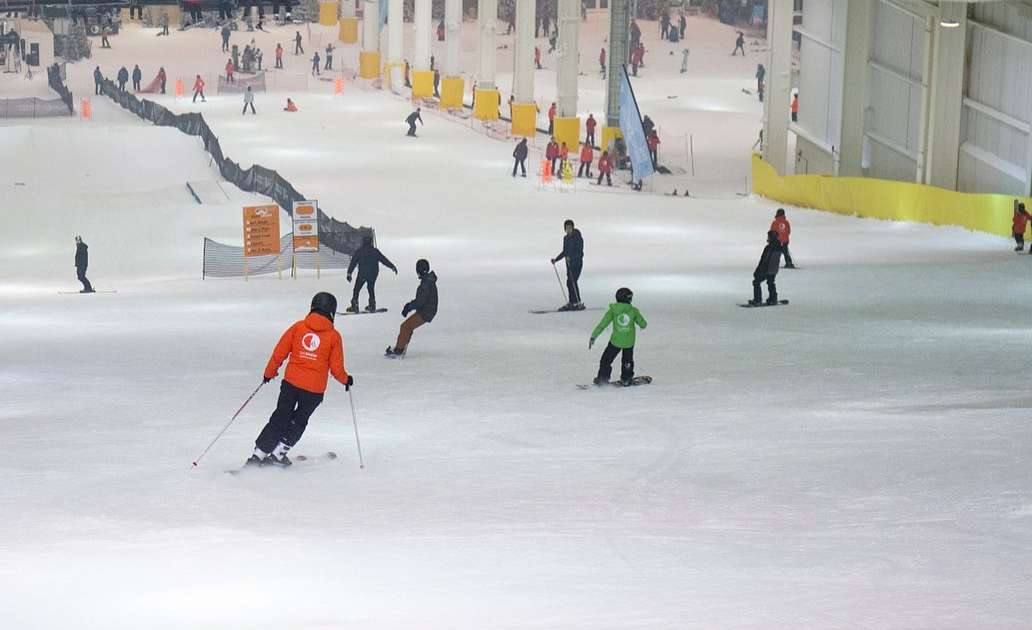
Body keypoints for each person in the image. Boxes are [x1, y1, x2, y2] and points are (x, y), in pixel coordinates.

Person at [249, 292, 352, 467]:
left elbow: (279, 353)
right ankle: (278, 453)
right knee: (299, 420)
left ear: (312, 307)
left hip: (291, 384)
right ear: (332, 312)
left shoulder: (298, 327)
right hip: (313, 390)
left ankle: (259, 454)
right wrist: (346, 380)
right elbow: (336, 369)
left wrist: (269, 373)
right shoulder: (334, 336)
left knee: (281, 416)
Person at [590, 287, 646, 386]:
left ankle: (603, 378)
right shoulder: (633, 311)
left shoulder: (613, 310)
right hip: (629, 342)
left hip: (616, 341)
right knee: (627, 361)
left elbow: (602, 324)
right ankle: (626, 378)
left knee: (606, 359)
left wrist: (594, 336)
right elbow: (643, 324)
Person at [386, 259, 438, 357]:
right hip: (427, 310)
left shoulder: (426, 283)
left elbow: (420, 301)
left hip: (426, 312)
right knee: (408, 326)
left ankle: (399, 350)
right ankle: (401, 347)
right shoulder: (428, 280)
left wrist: (408, 307)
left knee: (405, 326)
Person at [346, 236, 398, 312]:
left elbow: (353, 262)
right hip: (373, 274)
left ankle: (355, 305)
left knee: (356, 289)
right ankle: (372, 305)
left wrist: (349, 273)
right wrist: (392, 267)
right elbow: (383, 260)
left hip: (362, 274)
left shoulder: (359, 251)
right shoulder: (375, 251)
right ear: (371, 242)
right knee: (370, 288)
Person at [551, 219, 584, 311]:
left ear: (573, 227)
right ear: (564, 229)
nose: (568, 229)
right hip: (569, 264)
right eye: (567, 228)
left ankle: (576, 303)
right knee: (569, 282)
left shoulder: (578, 237)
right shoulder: (565, 238)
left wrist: (571, 257)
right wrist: (556, 259)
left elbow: (580, 253)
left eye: (570, 227)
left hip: (577, 264)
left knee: (572, 282)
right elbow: (565, 252)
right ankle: (573, 302)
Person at [750, 231, 783, 306]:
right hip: (774, 269)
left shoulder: (769, 248)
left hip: (766, 269)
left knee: (756, 282)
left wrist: (758, 271)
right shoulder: (779, 247)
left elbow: (763, 260)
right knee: (770, 282)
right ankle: (773, 298)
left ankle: (758, 300)